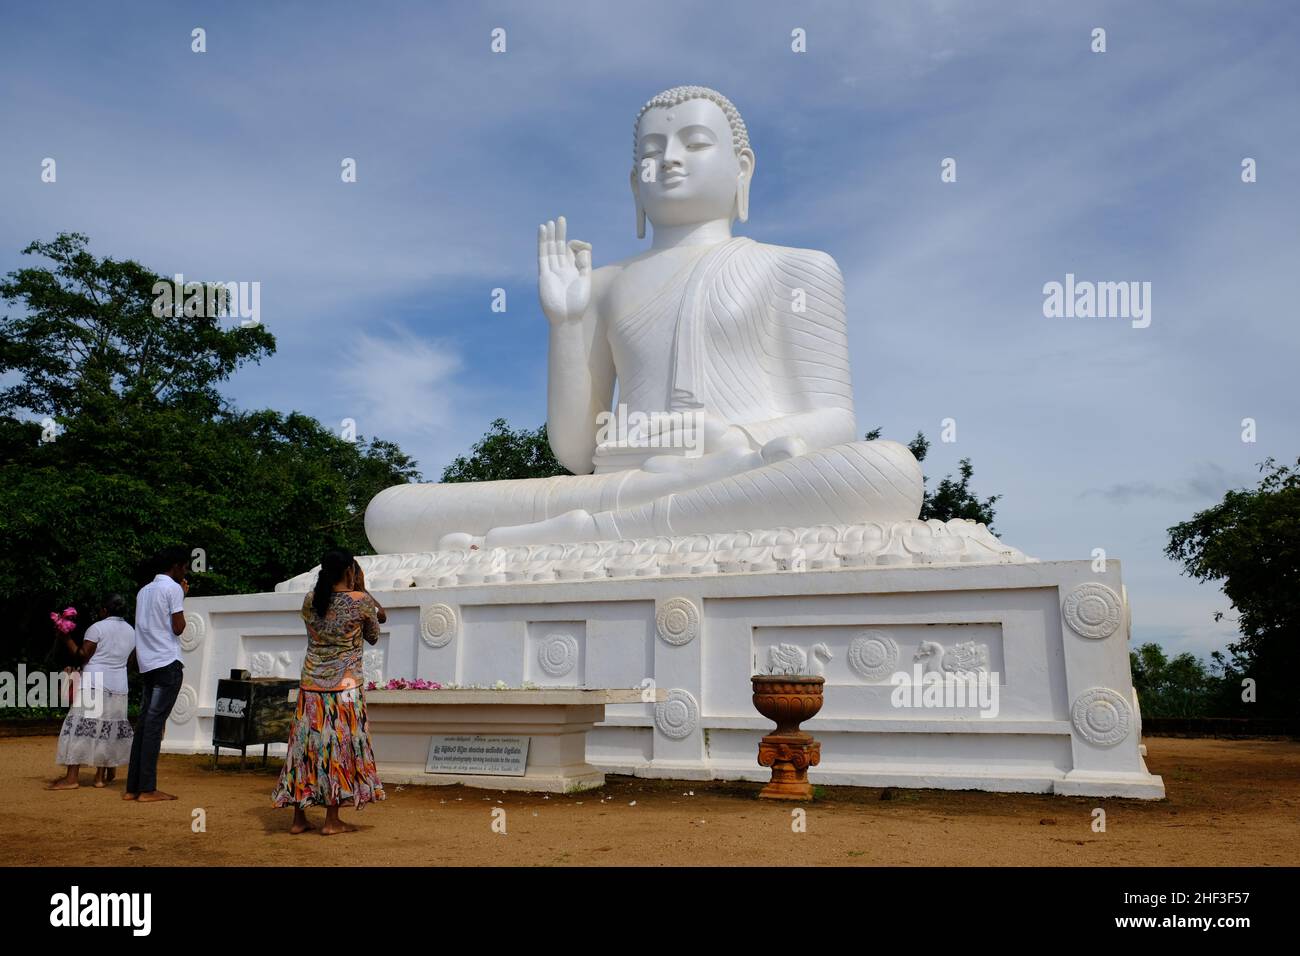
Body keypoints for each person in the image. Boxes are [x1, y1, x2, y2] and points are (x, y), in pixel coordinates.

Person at [272, 550, 387, 835]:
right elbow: (374, 633)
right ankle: (332, 820)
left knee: (305, 748)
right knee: (338, 748)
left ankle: (299, 818)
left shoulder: (311, 600)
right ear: (351, 570)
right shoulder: (360, 602)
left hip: (311, 686)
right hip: (344, 689)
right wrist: (362, 589)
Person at [47, 595, 136, 790]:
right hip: (119, 687)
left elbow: (82, 655)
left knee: (80, 728)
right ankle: (100, 777)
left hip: (94, 684)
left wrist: (66, 638)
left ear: (105, 610)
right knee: (107, 730)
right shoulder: (131, 631)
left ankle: (71, 778)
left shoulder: (97, 628)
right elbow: (129, 663)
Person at [124, 546, 189, 802]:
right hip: (167, 661)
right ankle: (148, 789)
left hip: (148, 663)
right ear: (175, 566)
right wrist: (182, 596)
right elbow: (179, 627)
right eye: (183, 566)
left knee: (144, 726)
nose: (185, 571)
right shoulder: (172, 589)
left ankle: (133, 787)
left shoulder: (143, 591)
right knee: (153, 726)